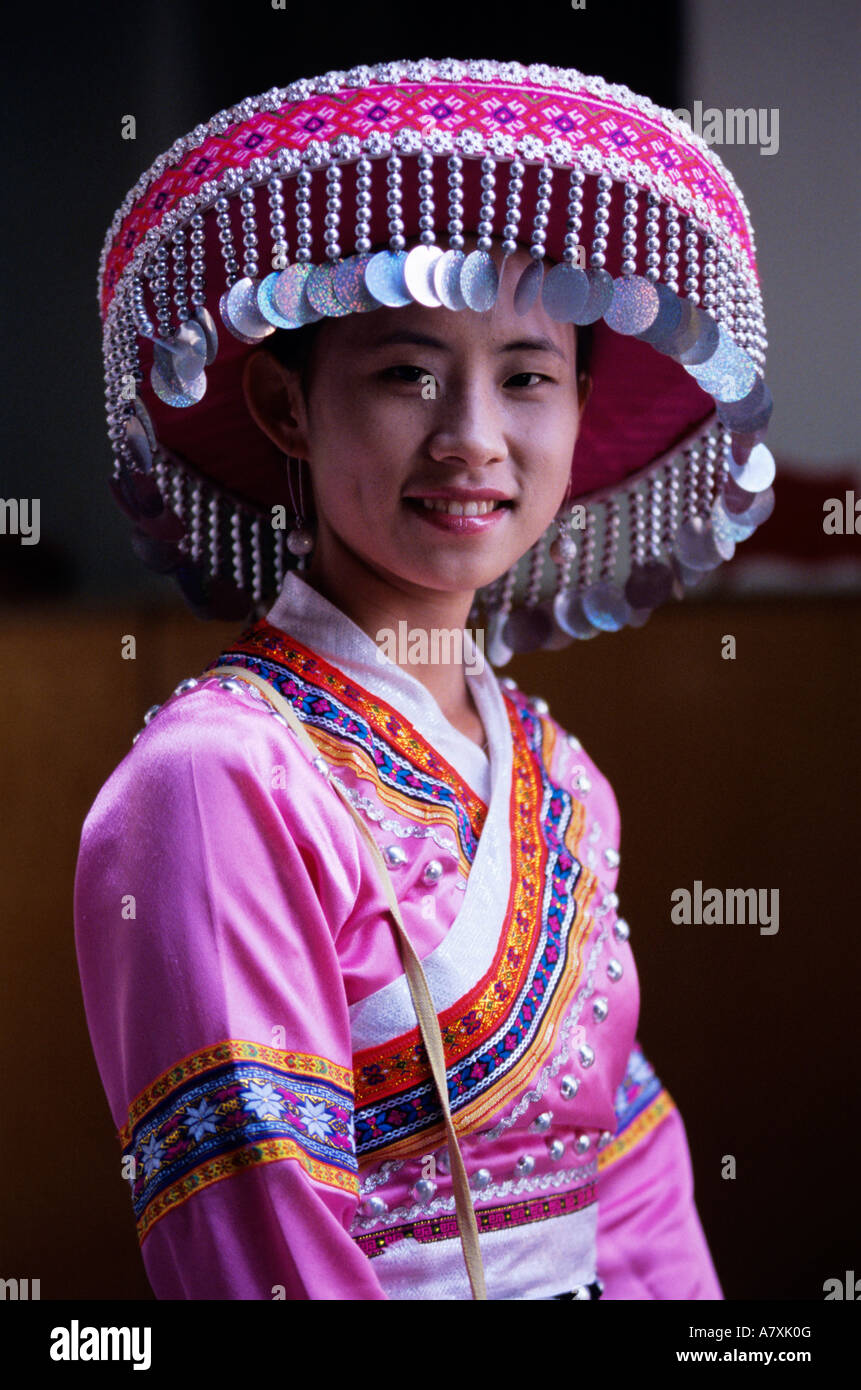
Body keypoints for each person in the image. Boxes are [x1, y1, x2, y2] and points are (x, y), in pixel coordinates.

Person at [75, 56, 774, 1300]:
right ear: (286, 406)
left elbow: (637, 1184)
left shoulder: (563, 783)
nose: (473, 438)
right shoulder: (217, 783)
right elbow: (260, 1248)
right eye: (407, 372)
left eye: (527, 374)